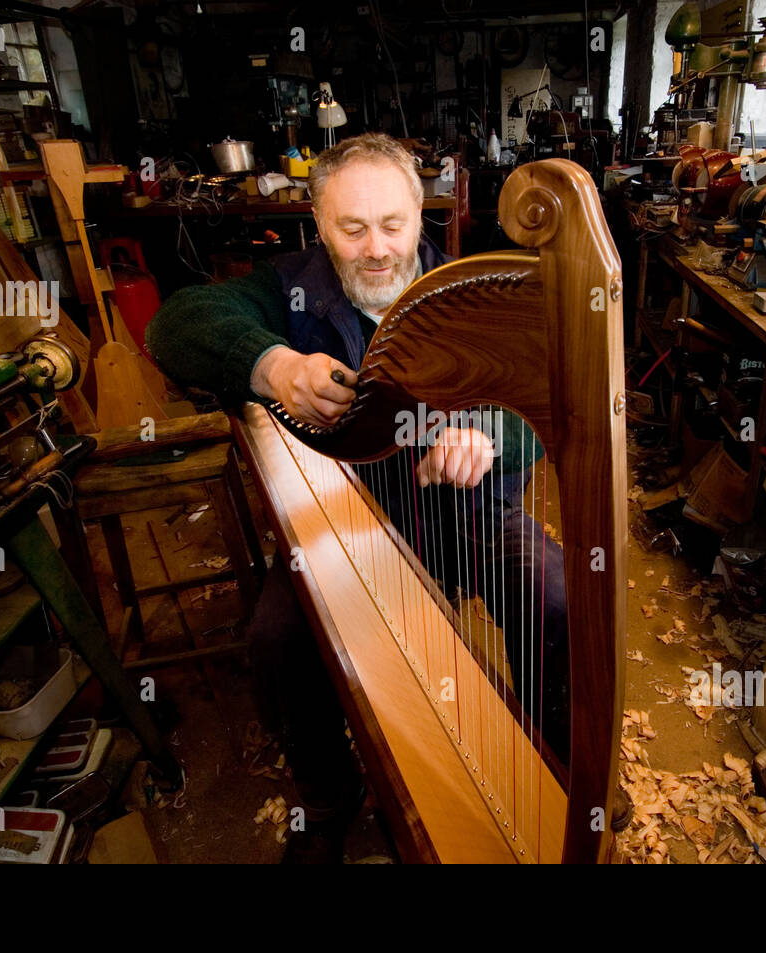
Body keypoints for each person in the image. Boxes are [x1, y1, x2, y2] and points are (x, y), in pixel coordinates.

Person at [146, 133, 575, 859]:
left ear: (422, 215)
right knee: (277, 640)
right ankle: (328, 794)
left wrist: (489, 435)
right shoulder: (286, 286)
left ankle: (557, 761)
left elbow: (546, 404)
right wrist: (270, 363)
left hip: (468, 514)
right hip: (346, 523)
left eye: (392, 225)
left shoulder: (472, 293)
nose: (375, 248)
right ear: (318, 223)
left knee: (558, 598)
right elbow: (173, 323)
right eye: (351, 228)